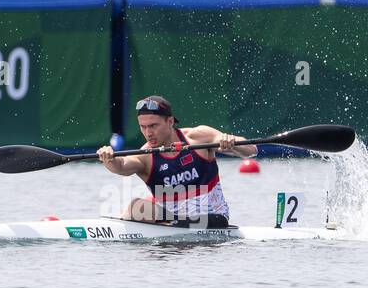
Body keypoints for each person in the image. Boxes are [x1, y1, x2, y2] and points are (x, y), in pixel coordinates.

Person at [95, 95, 256, 227]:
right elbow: (122, 166)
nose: (148, 133)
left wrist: (231, 143)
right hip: (174, 222)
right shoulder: (145, 155)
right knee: (136, 207)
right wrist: (109, 159)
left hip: (213, 218)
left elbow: (252, 150)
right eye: (143, 127)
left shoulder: (198, 138)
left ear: (170, 121)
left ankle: (167, 226)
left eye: (153, 125)